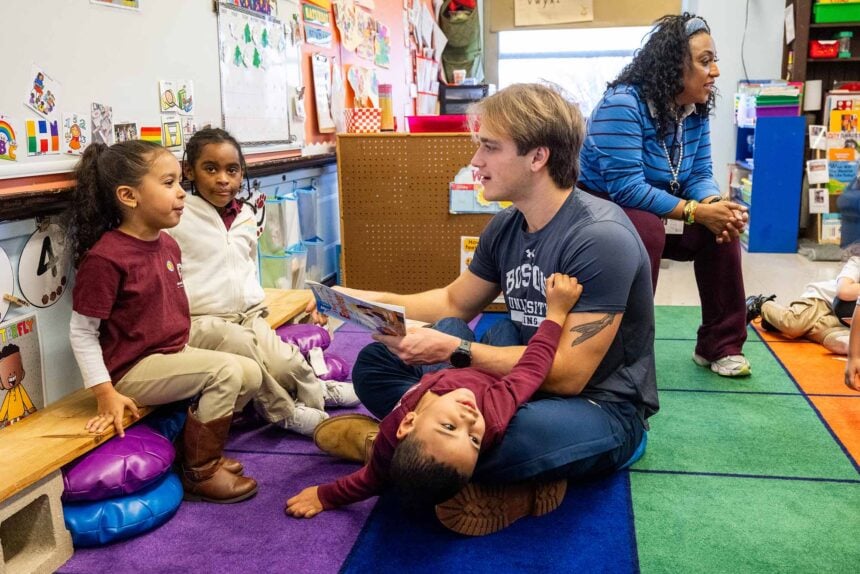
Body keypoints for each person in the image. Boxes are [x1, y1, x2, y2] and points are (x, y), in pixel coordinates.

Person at [302, 83, 658, 536]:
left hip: (598, 402)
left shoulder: (599, 238)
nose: (476, 161)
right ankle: (436, 453)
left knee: (508, 438)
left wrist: (454, 352)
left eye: (489, 147)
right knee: (374, 363)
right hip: (511, 381)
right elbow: (453, 301)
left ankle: (392, 447)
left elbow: (568, 373)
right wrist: (358, 301)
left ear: (537, 157)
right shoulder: (507, 224)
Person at [285, 273, 581, 530]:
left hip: (442, 377)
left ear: (408, 423)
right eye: (474, 440)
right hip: (491, 374)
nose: (469, 421)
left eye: (450, 426)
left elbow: (369, 480)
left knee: (451, 324)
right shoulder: (493, 414)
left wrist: (325, 496)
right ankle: (494, 484)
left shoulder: (393, 430)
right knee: (506, 330)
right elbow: (532, 368)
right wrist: (555, 314)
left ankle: (371, 443)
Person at [68, 140, 262, 504]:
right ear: (129, 196)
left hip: (172, 353)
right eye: (169, 183)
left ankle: (196, 449)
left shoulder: (167, 244)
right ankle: (200, 470)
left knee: (250, 373)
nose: (181, 194)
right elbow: (82, 332)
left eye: (179, 184)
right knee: (226, 372)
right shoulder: (106, 258)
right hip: (131, 369)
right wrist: (105, 392)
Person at [579, 13, 752, 377]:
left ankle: (719, 345)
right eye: (705, 61)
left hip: (663, 206)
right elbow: (624, 188)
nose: (715, 71)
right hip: (601, 211)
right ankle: (624, 349)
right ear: (675, 66)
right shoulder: (622, 104)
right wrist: (694, 211)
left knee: (721, 229)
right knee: (646, 228)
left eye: (714, 59)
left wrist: (712, 206)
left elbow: (700, 173)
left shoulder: (696, 109)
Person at [169, 128, 358, 437]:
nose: (222, 179)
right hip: (201, 321)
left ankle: (317, 393)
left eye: (232, 170)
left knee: (286, 362)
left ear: (242, 173)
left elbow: (246, 263)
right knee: (245, 351)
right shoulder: (177, 216)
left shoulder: (245, 214)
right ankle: (285, 412)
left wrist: (255, 302)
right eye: (210, 169)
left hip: (248, 314)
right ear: (189, 171)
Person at [747, 252, 860, 355]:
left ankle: (776, 321)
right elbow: (844, 291)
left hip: (844, 323)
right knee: (793, 324)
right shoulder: (856, 262)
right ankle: (761, 303)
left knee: (845, 343)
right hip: (823, 302)